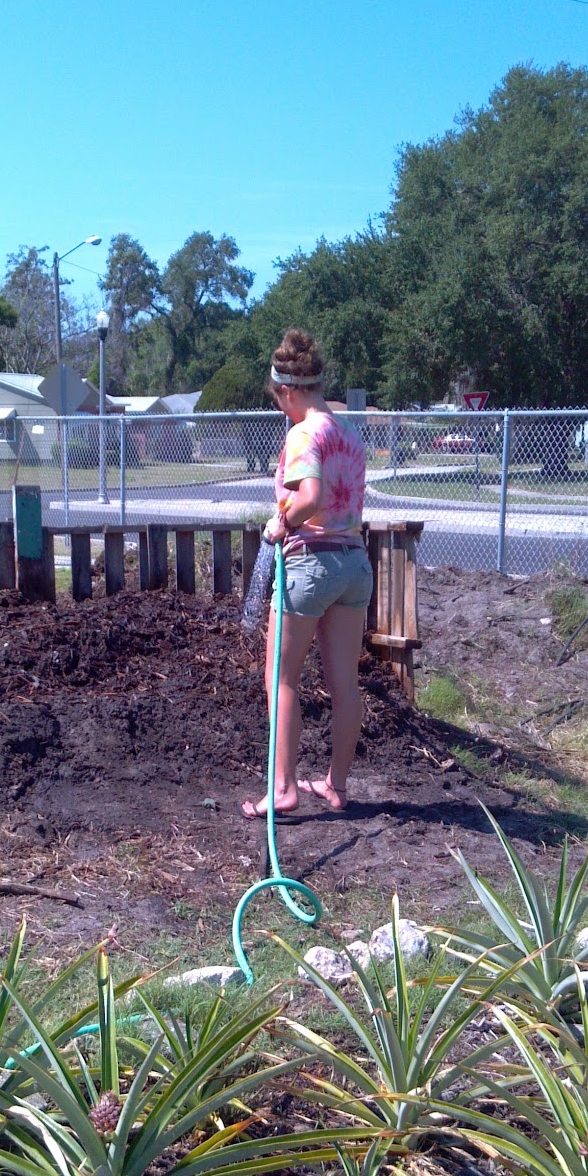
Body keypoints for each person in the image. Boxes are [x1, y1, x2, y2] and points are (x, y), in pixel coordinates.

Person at [242, 330, 372, 818]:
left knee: (282, 678)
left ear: (289, 391)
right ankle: (336, 786)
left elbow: (311, 497)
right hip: (353, 565)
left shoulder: (304, 433)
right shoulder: (348, 433)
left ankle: (283, 790)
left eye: (280, 401)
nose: (281, 410)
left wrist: (282, 522)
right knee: (345, 683)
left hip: (310, 564)